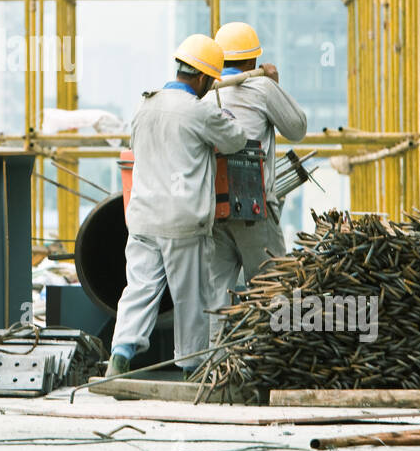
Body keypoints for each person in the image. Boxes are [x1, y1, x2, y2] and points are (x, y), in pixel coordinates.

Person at [106, 34, 254, 379]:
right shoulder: (199, 111)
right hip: (182, 221)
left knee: (139, 289)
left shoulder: (145, 105)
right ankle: (192, 368)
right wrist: (225, 114)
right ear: (203, 78)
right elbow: (236, 140)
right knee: (191, 299)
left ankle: (119, 357)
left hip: (142, 217)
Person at [202, 22, 308, 331]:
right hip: (254, 209)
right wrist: (275, 83)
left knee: (217, 295)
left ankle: (215, 366)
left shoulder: (208, 94)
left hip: (215, 208)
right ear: (253, 61)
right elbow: (297, 129)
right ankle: (272, 360)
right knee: (273, 288)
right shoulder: (261, 88)